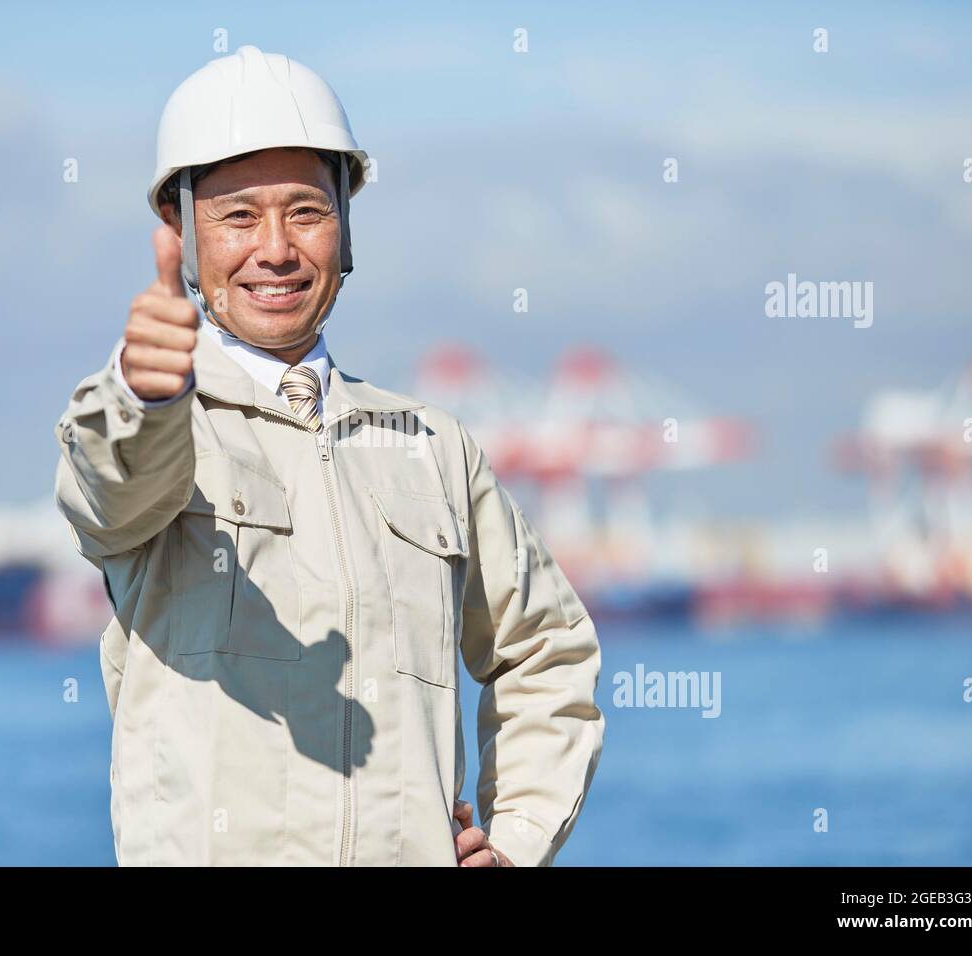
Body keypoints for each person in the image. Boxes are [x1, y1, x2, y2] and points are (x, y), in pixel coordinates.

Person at [53, 45, 605, 866]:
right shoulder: (155, 415)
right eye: (237, 216)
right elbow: (111, 489)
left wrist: (517, 843)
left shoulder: (432, 447)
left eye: (306, 211)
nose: (275, 248)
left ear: (345, 219)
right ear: (180, 230)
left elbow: (547, 652)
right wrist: (146, 390)